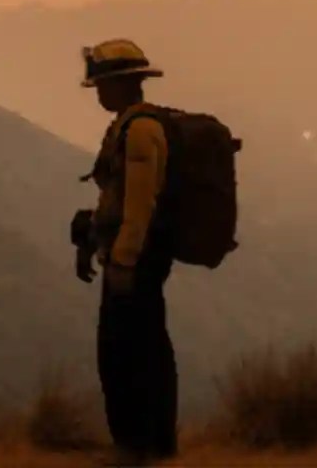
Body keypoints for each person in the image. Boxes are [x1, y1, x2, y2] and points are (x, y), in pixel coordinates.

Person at [75, 38, 178, 464]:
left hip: (136, 256)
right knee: (141, 347)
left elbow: (138, 205)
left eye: (102, 85)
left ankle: (139, 445)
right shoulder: (130, 126)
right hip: (133, 254)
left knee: (126, 353)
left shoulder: (139, 131)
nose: (98, 93)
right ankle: (148, 444)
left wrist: (123, 259)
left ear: (121, 85)